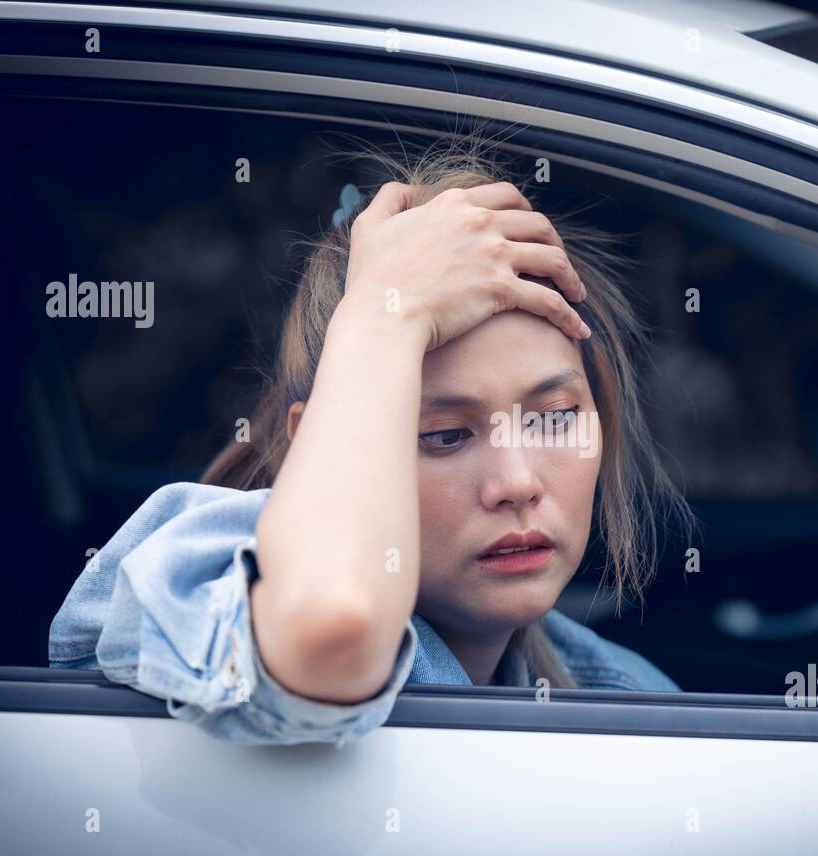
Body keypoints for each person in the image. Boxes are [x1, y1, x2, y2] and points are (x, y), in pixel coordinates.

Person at [48, 138, 696, 745]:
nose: (517, 482)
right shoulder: (213, 571)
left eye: (554, 417)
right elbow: (333, 623)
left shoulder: (619, 689)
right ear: (320, 445)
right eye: (443, 434)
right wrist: (388, 315)